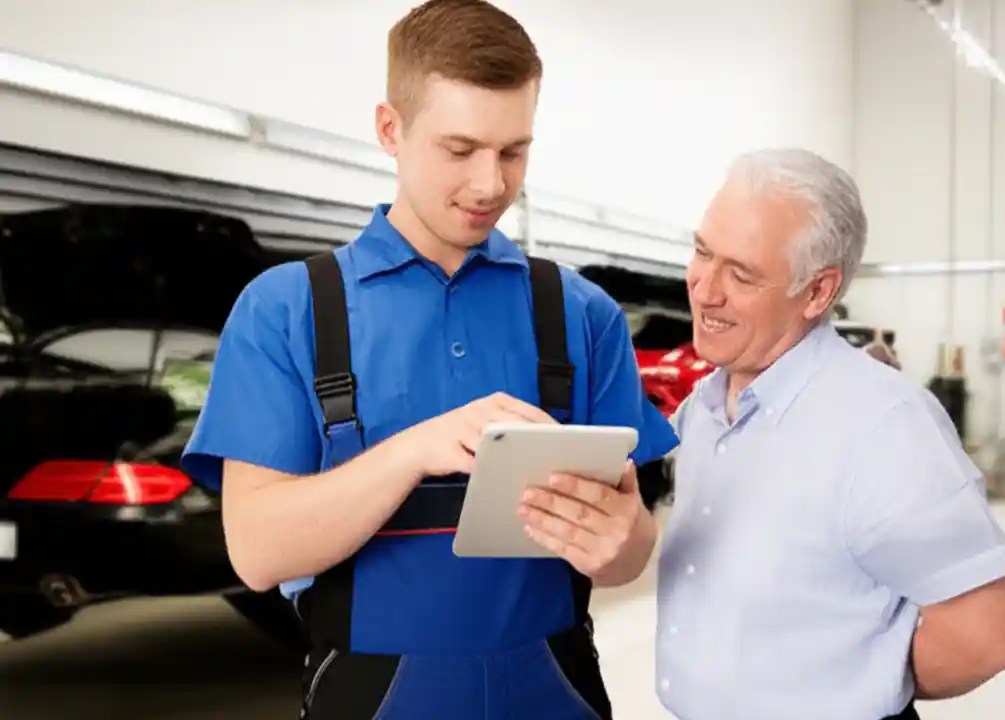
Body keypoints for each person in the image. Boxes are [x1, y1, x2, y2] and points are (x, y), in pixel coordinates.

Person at [180, 1, 677, 718]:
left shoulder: (580, 313)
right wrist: (416, 449)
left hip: (556, 691)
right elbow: (257, 554)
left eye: (514, 151)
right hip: (373, 697)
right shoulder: (287, 310)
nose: (490, 185)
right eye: (460, 149)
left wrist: (624, 540)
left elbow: (628, 554)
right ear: (391, 129)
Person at [649, 148, 1005, 720]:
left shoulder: (883, 427)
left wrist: (856, 687)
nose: (704, 289)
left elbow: (984, 635)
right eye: (703, 251)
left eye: (742, 273)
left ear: (819, 293)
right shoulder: (705, 407)